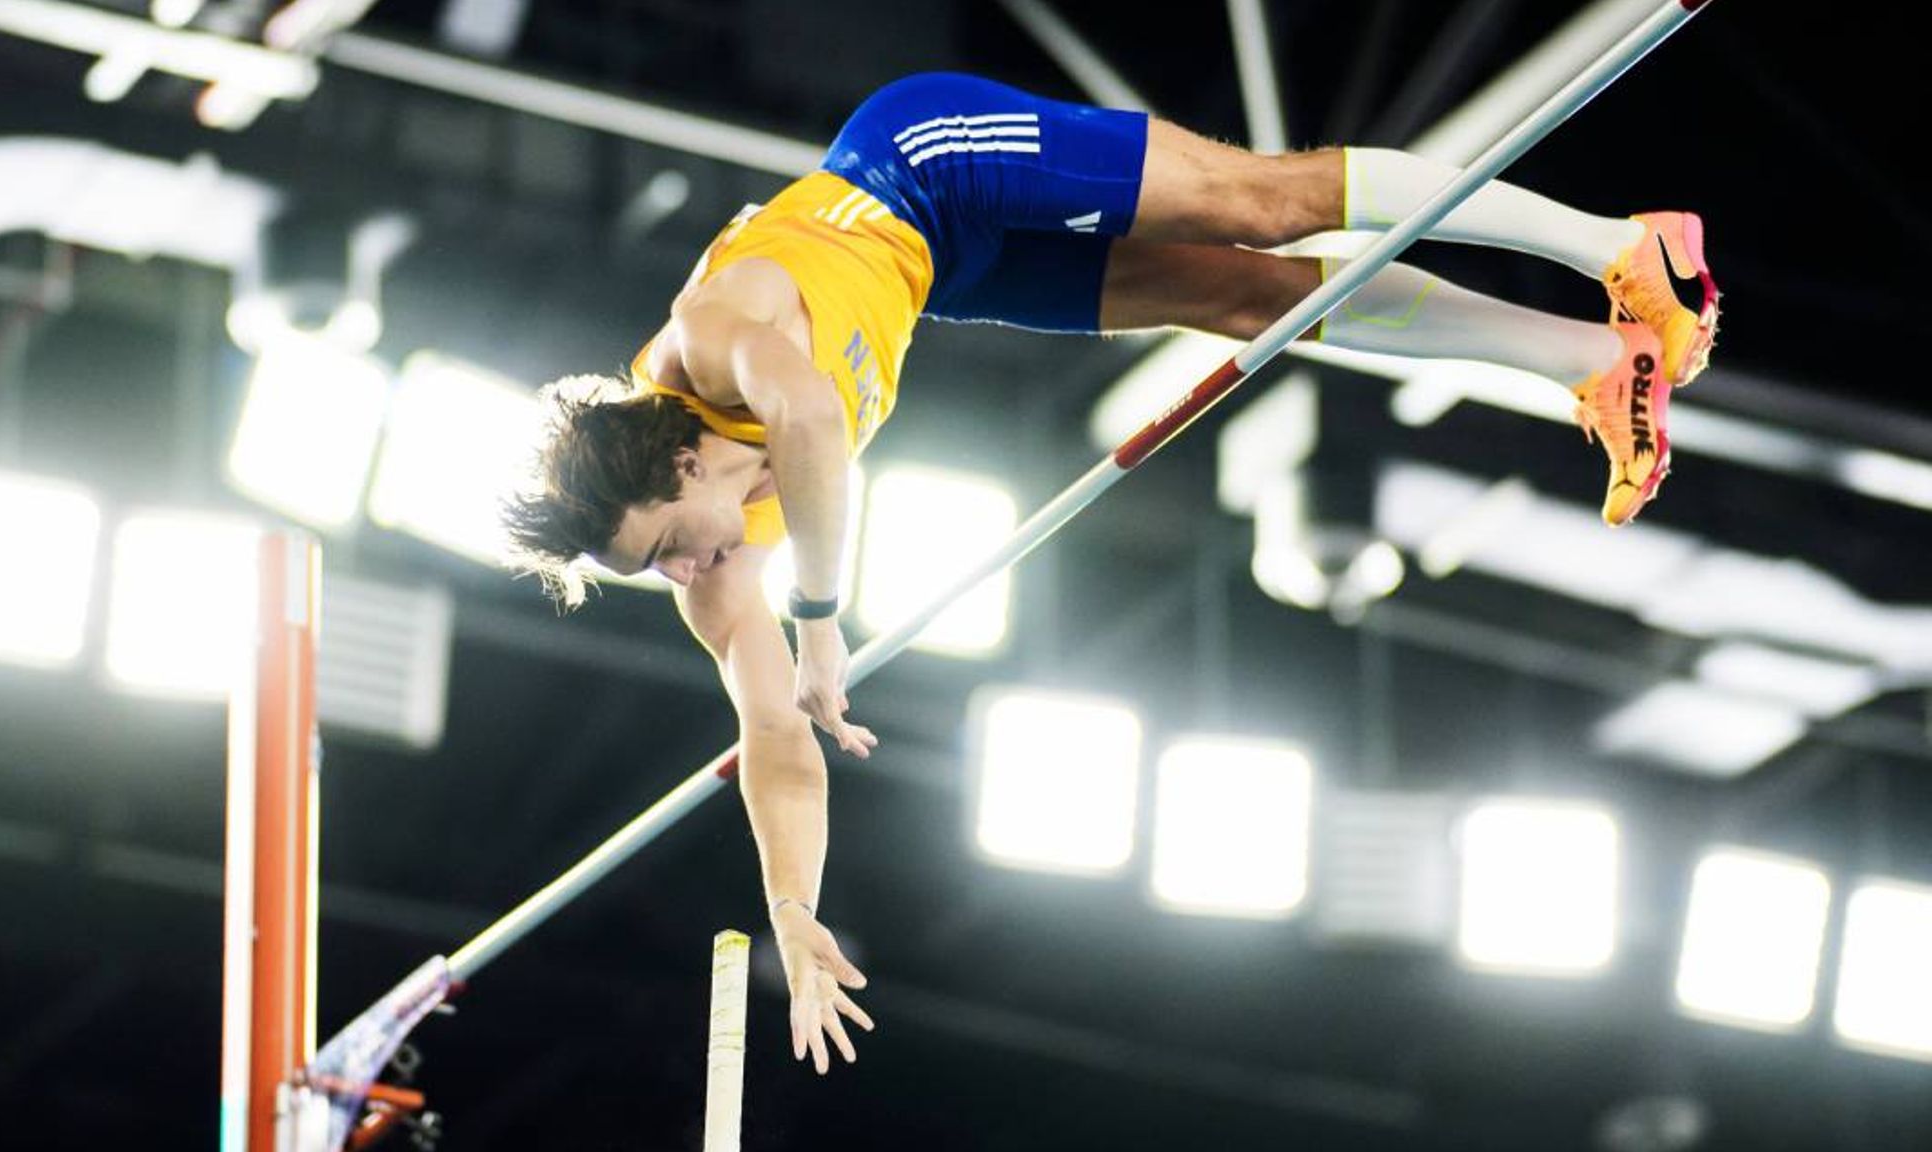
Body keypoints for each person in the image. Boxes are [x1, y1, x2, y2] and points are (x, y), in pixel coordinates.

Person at [502, 72, 1717, 1075]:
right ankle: (1590, 364)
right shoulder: (715, 567)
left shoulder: (709, 339)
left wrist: (819, 618)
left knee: (1264, 203)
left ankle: (1623, 245)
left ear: (674, 451)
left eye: (668, 545)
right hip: (944, 269)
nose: (694, 573)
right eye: (654, 578)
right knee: (1243, 299)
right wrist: (791, 904)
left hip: (921, 161)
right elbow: (773, 736)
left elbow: (815, 428)